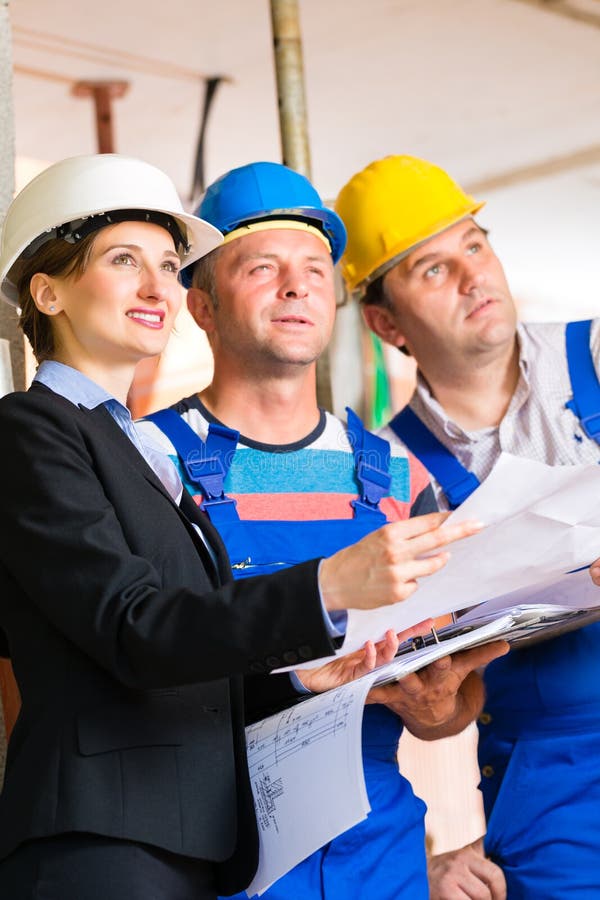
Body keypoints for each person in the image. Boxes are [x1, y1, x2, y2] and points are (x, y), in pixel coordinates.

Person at [0, 152, 482, 900]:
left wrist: (304, 679)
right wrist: (329, 584)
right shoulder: (68, 437)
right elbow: (128, 634)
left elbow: (183, 668)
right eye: (125, 260)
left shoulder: (132, 450)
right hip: (146, 846)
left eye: (166, 261)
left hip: (294, 847)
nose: (156, 284)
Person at [138, 160, 508, 900]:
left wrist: (442, 708)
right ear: (202, 304)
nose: (296, 284)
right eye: (261, 267)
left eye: (314, 267)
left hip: (383, 865)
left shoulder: (399, 477)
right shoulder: (149, 464)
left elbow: (457, 701)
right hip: (218, 872)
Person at [335, 153, 600, 900]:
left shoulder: (596, 356)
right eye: (432, 269)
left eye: (475, 245)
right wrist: (435, 706)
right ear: (387, 322)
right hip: (553, 788)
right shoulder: (389, 475)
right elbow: (440, 707)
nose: (473, 275)